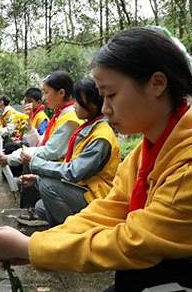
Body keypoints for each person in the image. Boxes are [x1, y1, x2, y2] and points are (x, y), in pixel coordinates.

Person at [0, 27, 192, 292]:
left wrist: (33, 248)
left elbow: (134, 243)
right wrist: (39, 245)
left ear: (157, 84)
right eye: (102, 97)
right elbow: (110, 209)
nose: (105, 108)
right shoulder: (151, 148)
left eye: (111, 95)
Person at [18, 78, 120, 227]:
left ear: (93, 103)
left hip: (96, 195)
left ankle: (71, 230)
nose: (75, 106)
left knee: (47, 185)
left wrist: (35, 164)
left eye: (78, 102)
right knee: (41, 206)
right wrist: (36, 177)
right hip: (84, 187)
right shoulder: (89, 127)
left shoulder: (101, 137)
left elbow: (73, 172)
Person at [0, 71, 82, 168]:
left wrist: (11, 158)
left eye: (46, 92)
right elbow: (40, 142)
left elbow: (49, 151)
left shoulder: (70, 119)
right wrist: (29, 123)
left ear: (61, 93)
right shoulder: (58, 115)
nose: (44, 98)